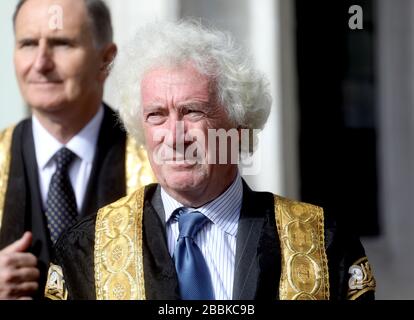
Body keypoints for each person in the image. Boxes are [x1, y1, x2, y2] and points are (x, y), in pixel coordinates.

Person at [48, 20, 376, 300]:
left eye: (192, 111)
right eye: (156, 115)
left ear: (238, 123)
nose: (174, 136)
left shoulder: (324, 243)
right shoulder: (84, 251)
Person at [0, 0, 154, 300]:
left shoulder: (157, 166)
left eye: (61, 44)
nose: (41, 64)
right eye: (28, 44)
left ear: (106, 59)